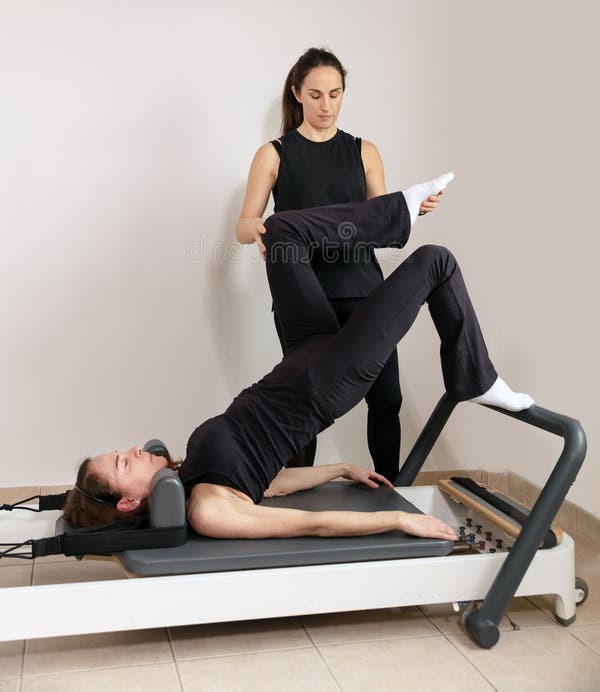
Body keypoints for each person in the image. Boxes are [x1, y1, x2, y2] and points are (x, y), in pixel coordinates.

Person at [64, 174, 533, 539]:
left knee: (281, 229)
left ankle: (398, 214)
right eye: (122, 465)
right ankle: (476, 377)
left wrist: (340, 469)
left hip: (303, 357)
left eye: (119, 452)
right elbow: (311, 524)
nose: (130, 451)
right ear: (128, 503)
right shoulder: (207, 509)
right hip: (327, 380)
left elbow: (267, 480)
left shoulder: (188, 476)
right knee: (435, 261)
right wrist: (397, 520)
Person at [236, 47, 443, 480]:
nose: (325, 105)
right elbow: (242, 224)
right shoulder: (273, 154)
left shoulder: (364, 151)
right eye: (314, 95)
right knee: (303, 405)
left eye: (334, 94)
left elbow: (378, 221)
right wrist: (257, 227)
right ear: (296, 95)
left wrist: (411, 209)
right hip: (304, 299)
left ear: (344, 94)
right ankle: (297, 497)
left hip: (366, 291)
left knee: (387, 398)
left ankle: (391, 489)